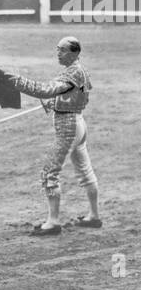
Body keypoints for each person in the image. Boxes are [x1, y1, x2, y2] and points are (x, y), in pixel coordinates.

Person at [6, 36, 100, 236]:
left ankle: (53, 222)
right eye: (57, 49)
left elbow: (45, 90)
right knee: (85, 170)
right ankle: (93, 215)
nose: (58, 53)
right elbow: (82, 96)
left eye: (62, 50)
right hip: (79, 124)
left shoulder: (71, 73)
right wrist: (59, 103)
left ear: (74, 53)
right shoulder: (80, 71)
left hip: (68, 128)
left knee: (50, 172)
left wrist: (17, 82)